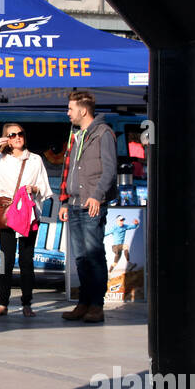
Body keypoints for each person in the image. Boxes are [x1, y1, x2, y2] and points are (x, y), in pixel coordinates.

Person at [59, 89, 117, 324]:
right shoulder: (75, 135)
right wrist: (63, 201)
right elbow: (67, 171)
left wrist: (97, 195)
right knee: (81, 257)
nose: (68, 113)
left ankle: (96, 305)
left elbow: (110, 169)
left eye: (71, 109)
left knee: (94, 255)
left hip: (92, 204)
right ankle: (83, 303)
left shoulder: (103, 133)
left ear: (83, 110)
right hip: (73, 204)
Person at [0, 122, 53, 317]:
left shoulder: (35, 159)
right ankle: (2, 303)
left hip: (28, 216)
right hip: (6, 213)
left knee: (26, 261)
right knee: (5, 260)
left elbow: (44, 187)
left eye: (20, 133)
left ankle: (27, 303)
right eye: (12, 135)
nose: (17, 137)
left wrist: (34, 189)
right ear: (7, 139)